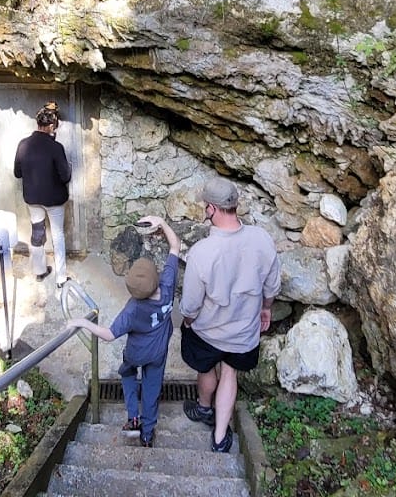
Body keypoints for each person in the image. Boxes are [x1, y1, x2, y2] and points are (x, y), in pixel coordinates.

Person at [180, 176, 281, 452]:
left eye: (205, 207)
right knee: (230, 373)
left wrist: (188, 323)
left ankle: (203, 407)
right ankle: (220, 437)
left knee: (206, 367)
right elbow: (271, 286)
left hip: (208, 332)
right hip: (243, 332)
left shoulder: (201, 253)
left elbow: (190, 306)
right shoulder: (262, 240)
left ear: (211, 209)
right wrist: (266, 308)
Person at [67, 216, 180, 447]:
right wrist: (162, 223)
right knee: (151, 388)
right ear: (156, 277)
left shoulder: (133, 309)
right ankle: (147, 433)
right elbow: (175, 246)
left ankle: (133, 416)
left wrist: (84, 323)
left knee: (127, 373)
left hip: (136, 353)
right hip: (159, 353)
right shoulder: (167, 284)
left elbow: (109, 334)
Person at [13, 101, 71, 286]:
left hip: (32, 199)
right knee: (58, 234)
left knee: (37, 232)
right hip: (54, 200)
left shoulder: (23, 144)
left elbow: (17, 173)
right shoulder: (56, 147)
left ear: (38, 123)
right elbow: (65, 177)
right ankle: (61, 277)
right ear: (52, 126)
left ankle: (39, 271)